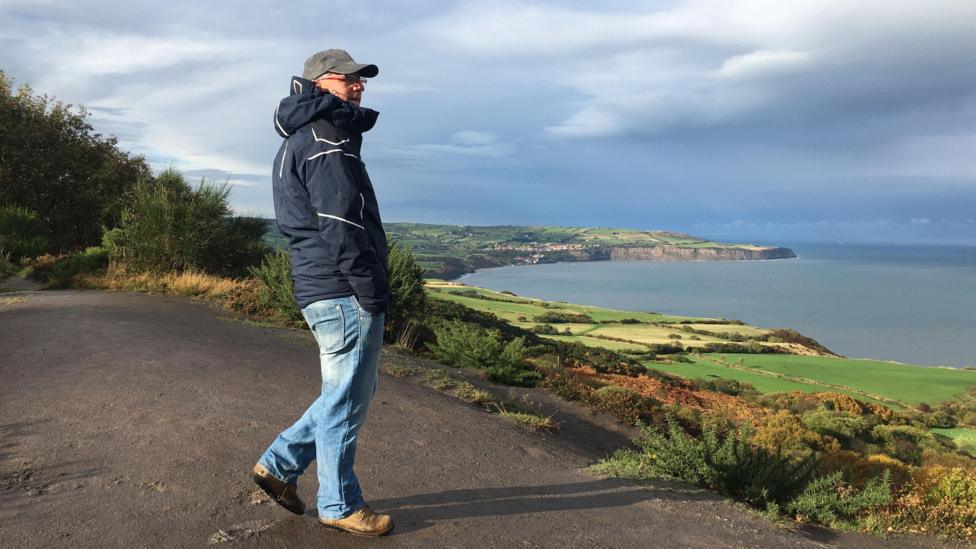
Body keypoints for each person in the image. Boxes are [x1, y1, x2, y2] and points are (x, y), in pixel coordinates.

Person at [251, 49, 393, 537]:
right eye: (347, 77)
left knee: (347, 392)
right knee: (347, 400)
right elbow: (340, 223)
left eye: (361, 79)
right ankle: (338, 503)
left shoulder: (306, 136)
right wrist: (370, 289)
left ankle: (278, 464)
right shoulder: (326, 137)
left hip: (323, 285)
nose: (358, 85)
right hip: (341, 288)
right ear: (318, 84)